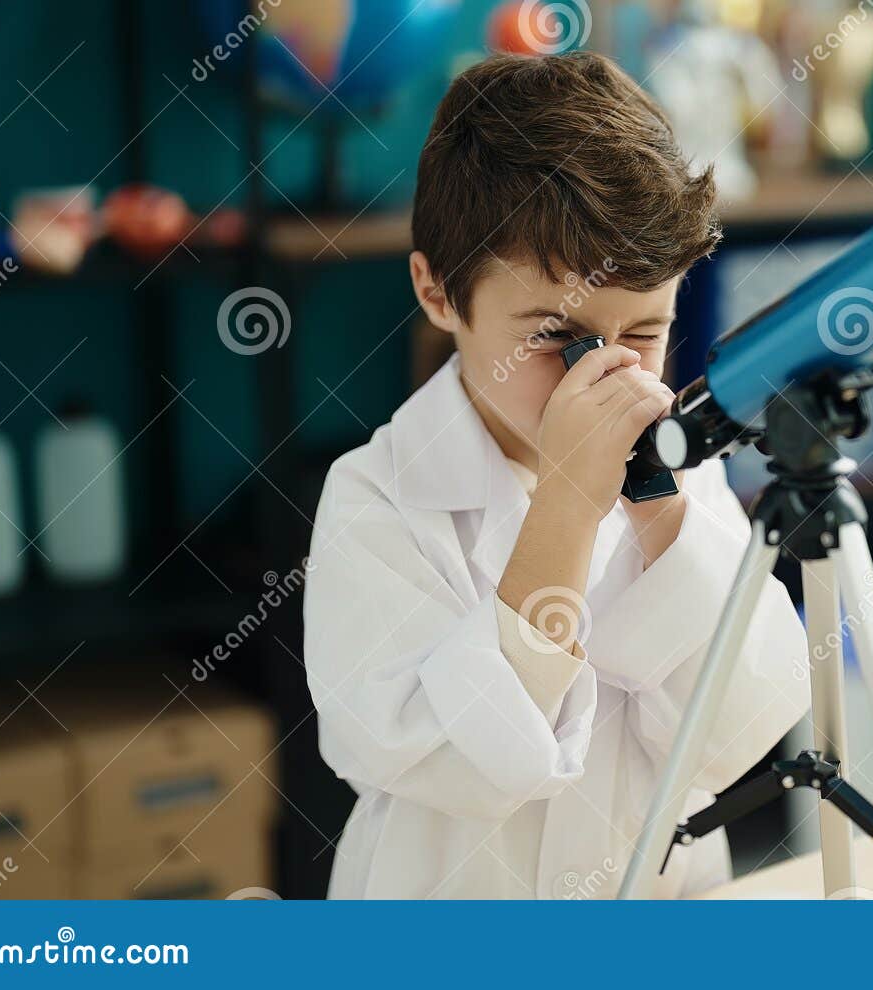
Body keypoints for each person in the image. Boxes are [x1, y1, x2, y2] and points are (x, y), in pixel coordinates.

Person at [303, 53, 809, 899]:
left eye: (644, 334)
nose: (603, 377)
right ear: (437, 291)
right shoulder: (375, 497)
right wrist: (570, 506)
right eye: (554, 338)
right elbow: (438, 757)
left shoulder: (690, 478)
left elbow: (738, 731)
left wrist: (660, 514)